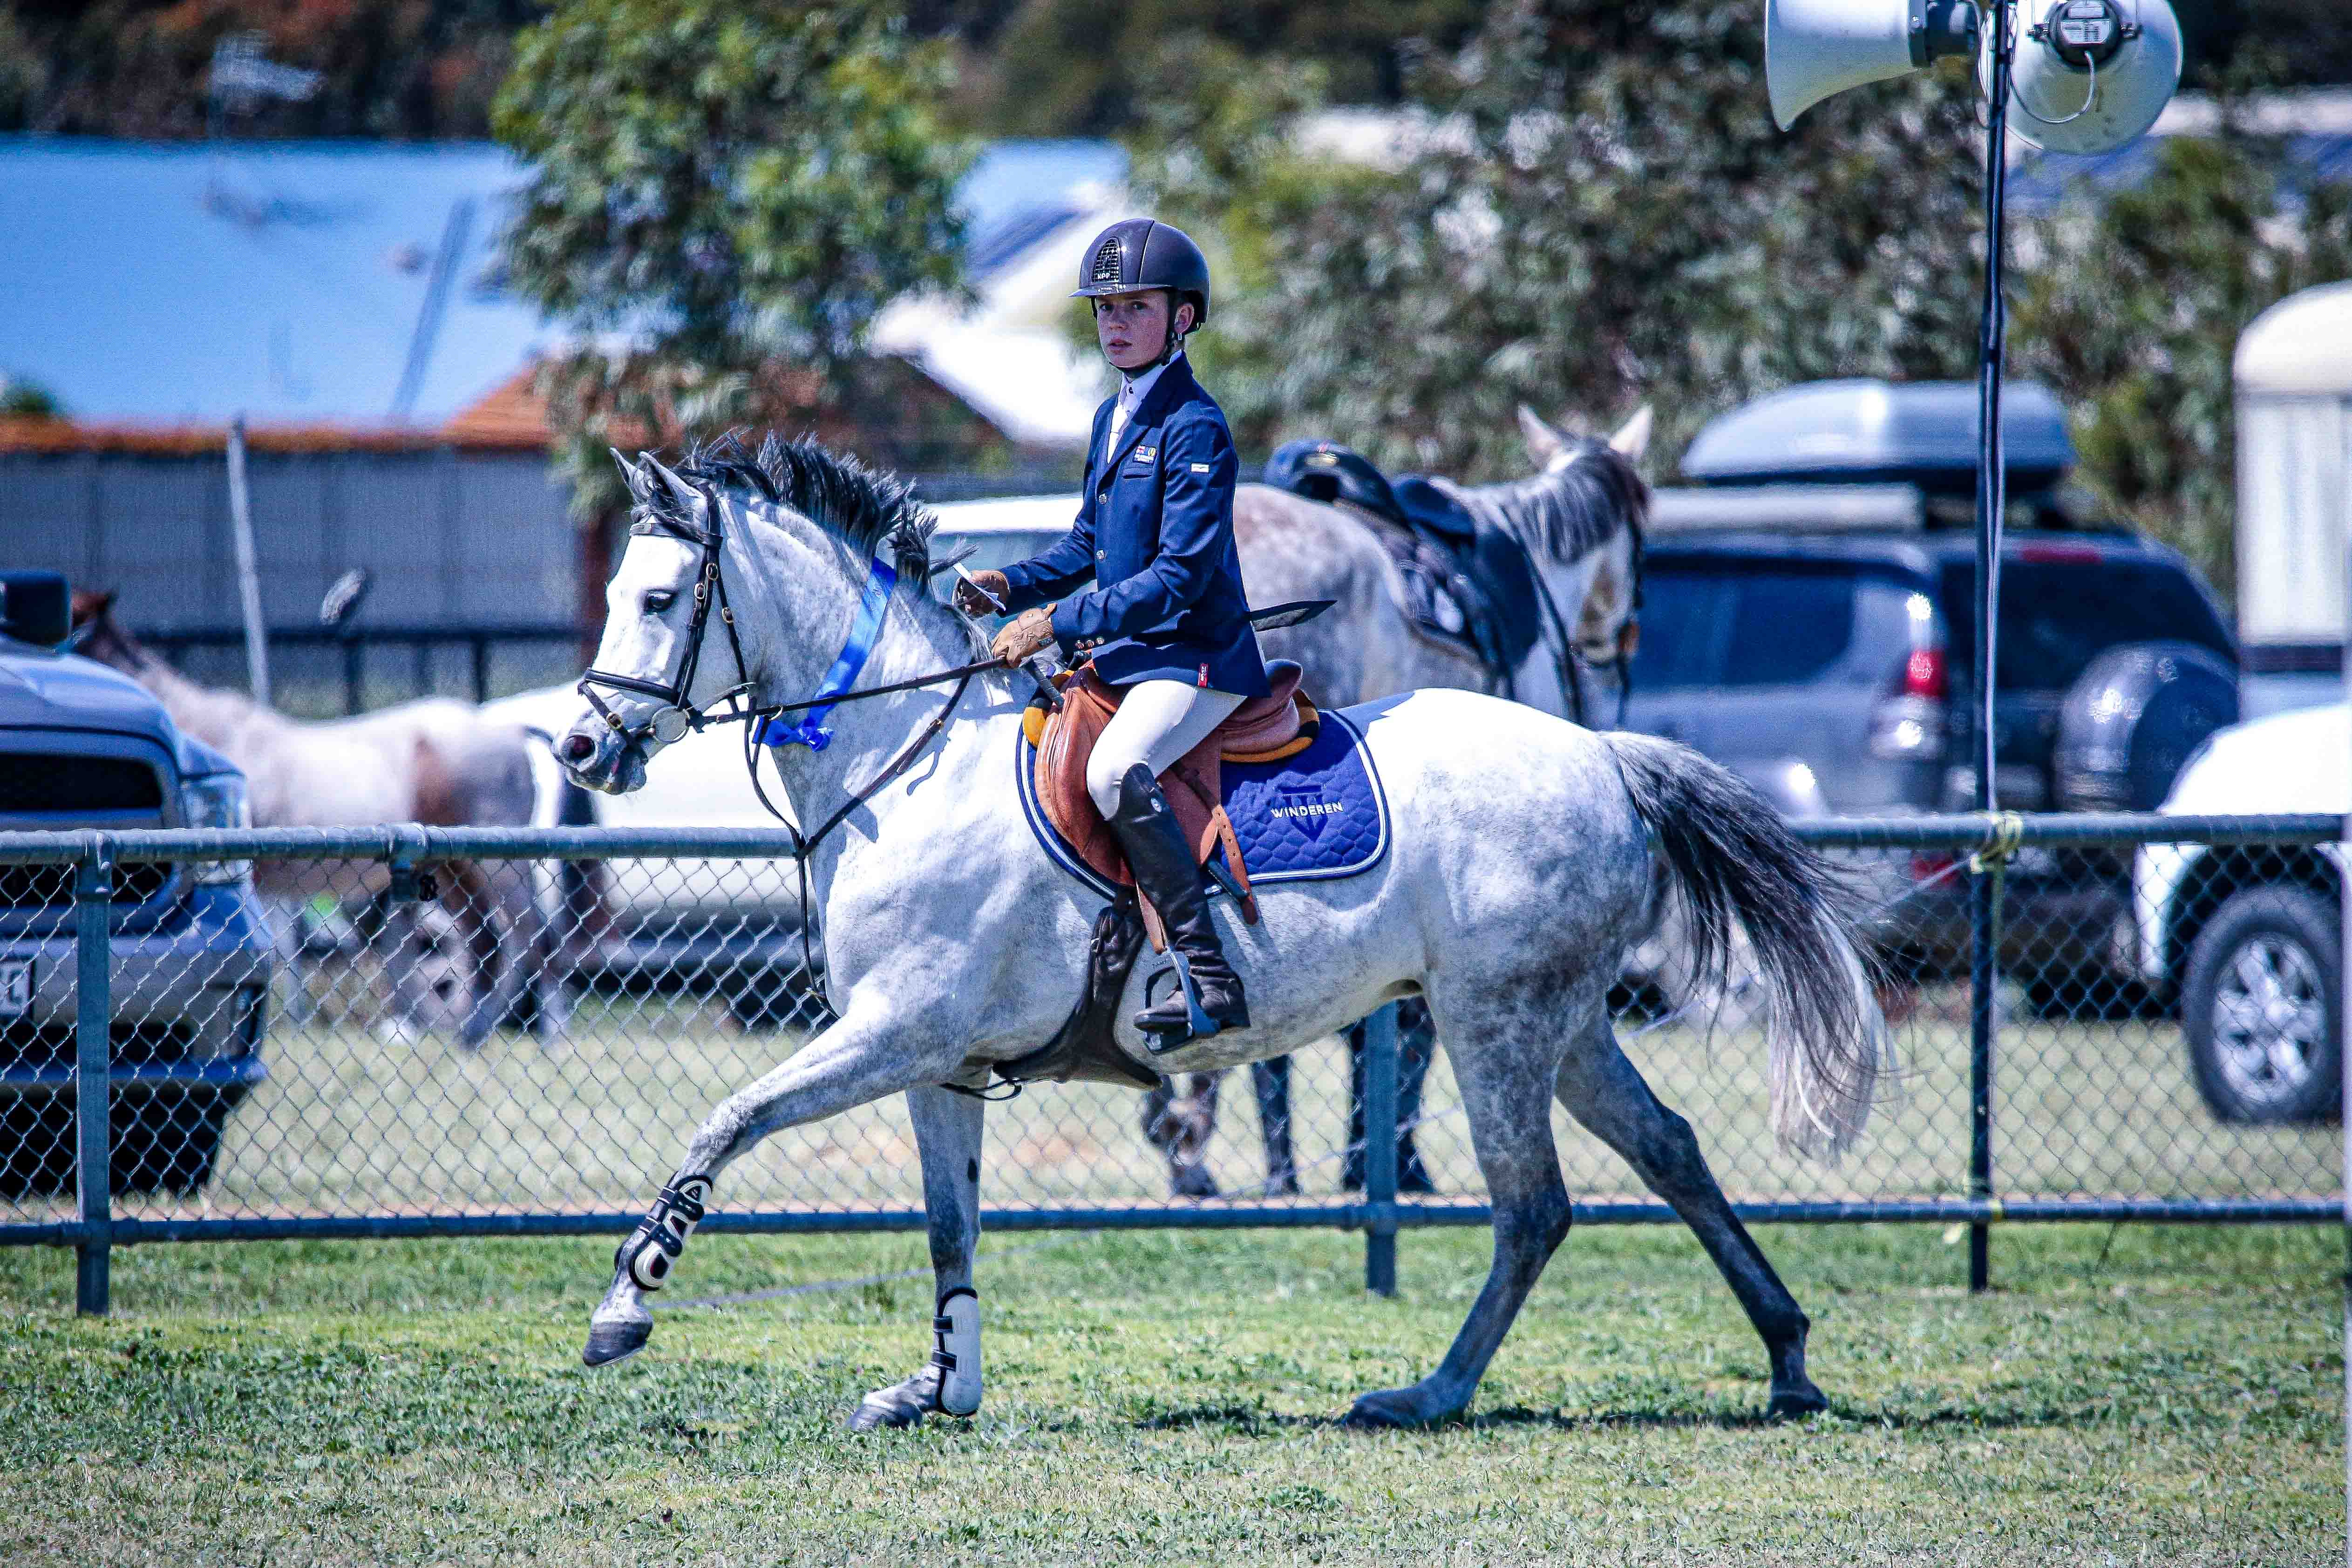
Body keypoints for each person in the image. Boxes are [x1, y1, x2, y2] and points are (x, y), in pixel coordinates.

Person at [955, 217, 1267, 1042]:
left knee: (1113, 770)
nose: (1115, 323)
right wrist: (1008, 585)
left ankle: (1209, 977)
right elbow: (1091, 546)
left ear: (1183, 317)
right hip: (1131, 656)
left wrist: (1053, 621)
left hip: (1195, 660)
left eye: (1135, 306)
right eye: (1103, 309)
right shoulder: (1112, 416)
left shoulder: (1195, 426)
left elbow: (1177, 578)